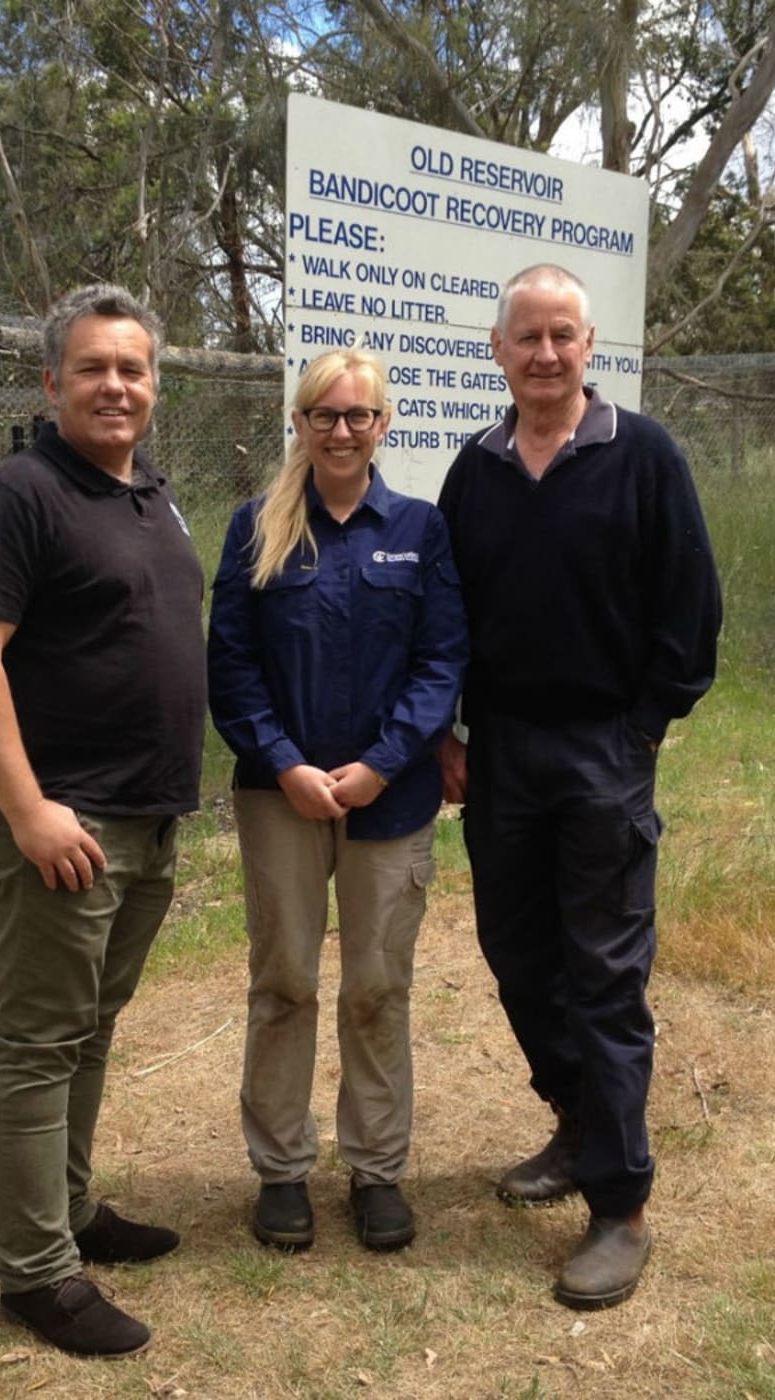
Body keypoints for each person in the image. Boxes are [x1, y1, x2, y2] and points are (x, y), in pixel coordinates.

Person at [437, 264, 721, 1310]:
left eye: (563, 335)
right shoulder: (474, 467)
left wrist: (643, 724)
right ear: (498, 350)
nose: (545, 354)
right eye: (527, 337)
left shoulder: (641, 455)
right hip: (500, 753)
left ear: (588, 346)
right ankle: (572, 1121)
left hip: (604, 749)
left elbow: (689, 607)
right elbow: (449, 614)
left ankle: (617, 1202)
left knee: (602, 975)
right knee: (518, 957)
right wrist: (450, 731)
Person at [0, 284, 205, 1359]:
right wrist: (30, 807)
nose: (115, 385)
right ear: (52, 383)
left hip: (141, 821)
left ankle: (74, 1209)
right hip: (61, 826)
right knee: (37, 1042)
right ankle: (37, 1272)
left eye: (132, 369)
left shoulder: (152, 493)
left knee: (89, 1030)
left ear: (152, 387)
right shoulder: (20, 493)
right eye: (92, 367)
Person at [208, 348, 467, 1254]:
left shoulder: (420, 530)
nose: (343, 431)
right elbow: (231, 665)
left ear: (383, 425)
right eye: (325, 415)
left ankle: (375, 1170)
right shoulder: (257, 528)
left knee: (376, 986)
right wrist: (284, 764)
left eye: (359, 415)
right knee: (283, 983)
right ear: (301, 424)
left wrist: (383, 765)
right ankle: (281, 1171)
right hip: (281, 799)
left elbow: (442, 663)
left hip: (387, 802)